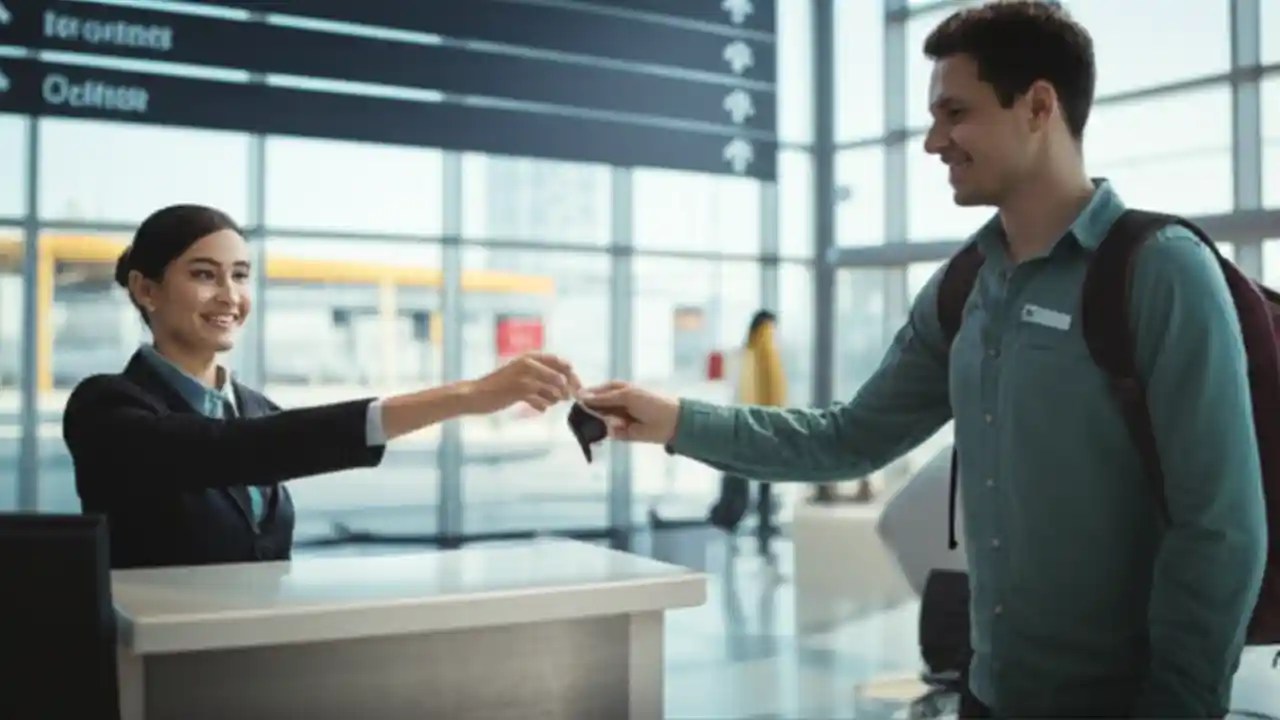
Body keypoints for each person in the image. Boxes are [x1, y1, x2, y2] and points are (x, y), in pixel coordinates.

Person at [580, 2, 1267, 718]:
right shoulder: (964, 287)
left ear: (1037, 106)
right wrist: (675, 422)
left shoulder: (1161, 273)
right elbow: (846, 439)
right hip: (988, 696)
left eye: (955, 113)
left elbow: (1221, 529)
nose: (934, 141)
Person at [62, 204, 582, 570]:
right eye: (205, 274)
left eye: (240, 276)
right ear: (145, 288)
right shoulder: (105, 406)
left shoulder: (255, 407)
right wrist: (465, 397)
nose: (229, 295)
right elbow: (228, 451)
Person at [707, 310, 785, 552]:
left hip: (749, 424)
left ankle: (747, 521)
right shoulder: (763, 350)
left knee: (751, 478)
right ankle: (751, 521)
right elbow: (772, 392)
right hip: (762, 424)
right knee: (759, 478)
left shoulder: (747, 354)